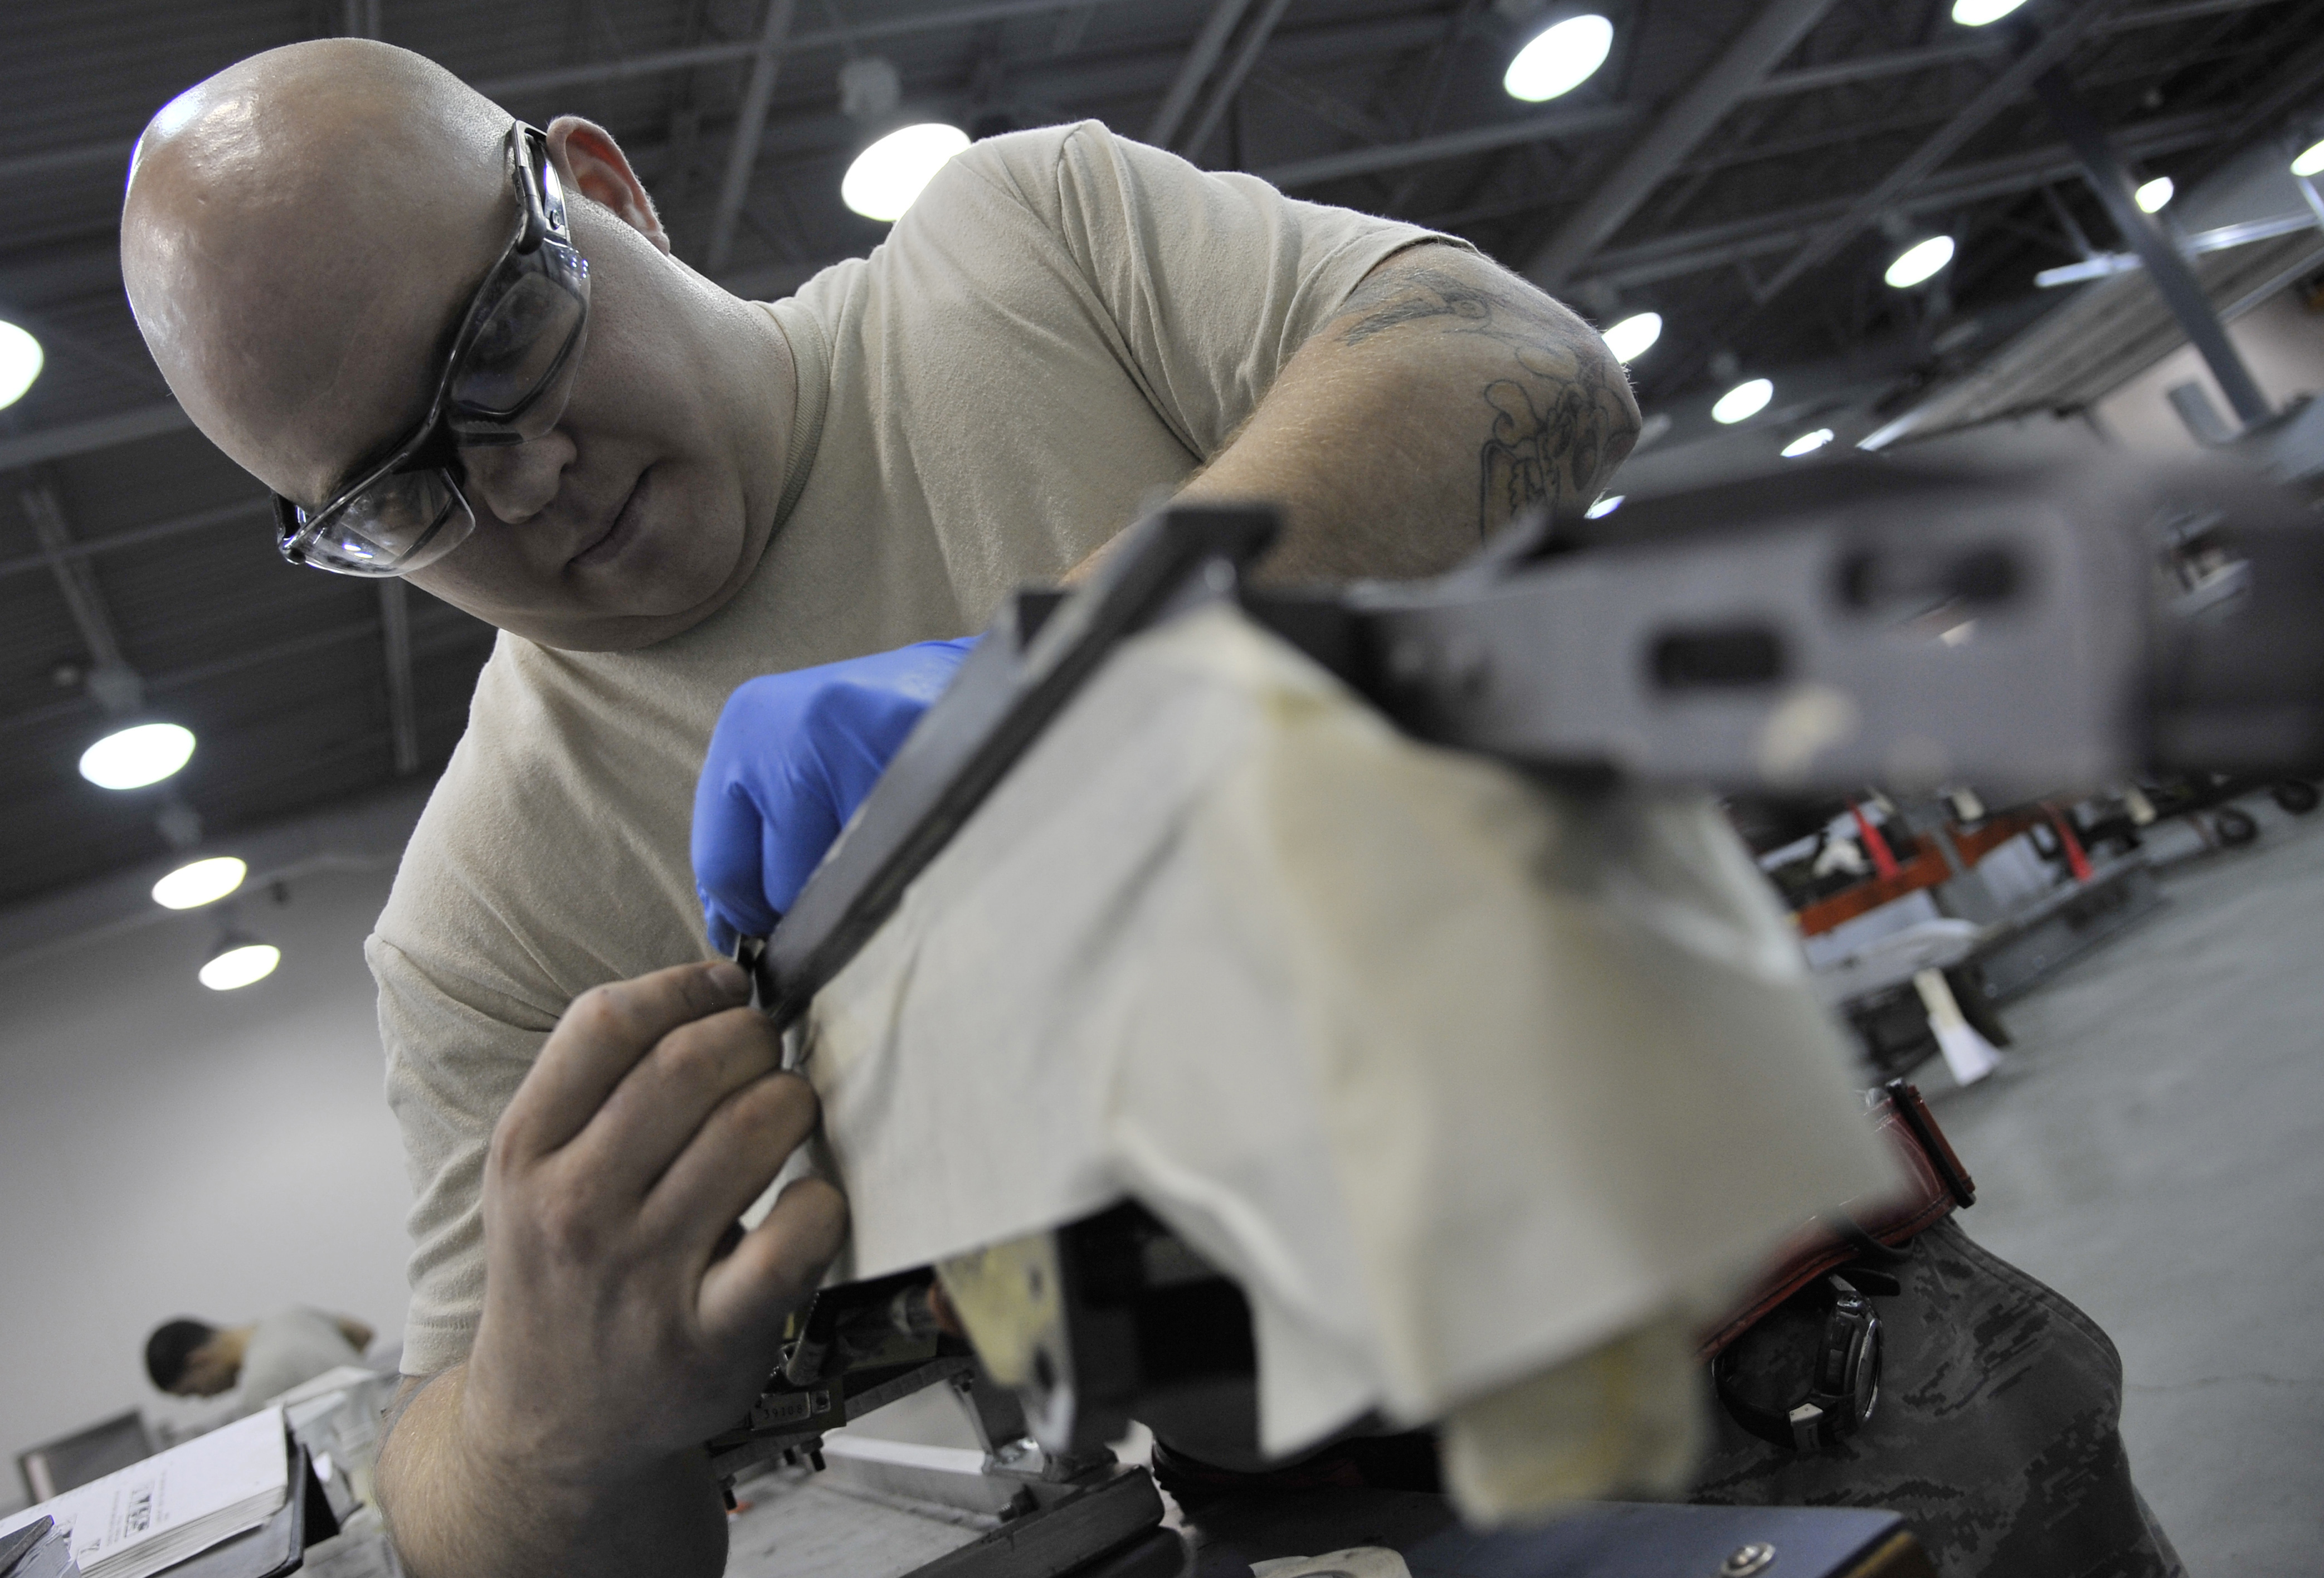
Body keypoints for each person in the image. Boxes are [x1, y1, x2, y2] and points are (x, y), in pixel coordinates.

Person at [119, 36, 1638, 1578]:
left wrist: (1078, 673)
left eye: (504, 339)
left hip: (1726, 1258)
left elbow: (1530, 365)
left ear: (605, 190)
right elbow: (462, 1460)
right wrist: (537, 1426)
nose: (521, 484)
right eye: (400, 491)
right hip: (1319, 1509)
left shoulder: (1029, 251)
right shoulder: (489, 916)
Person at [144, 1310, 374, 1414]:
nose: (205, 1398)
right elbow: (362, 1333)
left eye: (193, 1390)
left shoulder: (260, 1386)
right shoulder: (292, 1316)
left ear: (197, 1361)